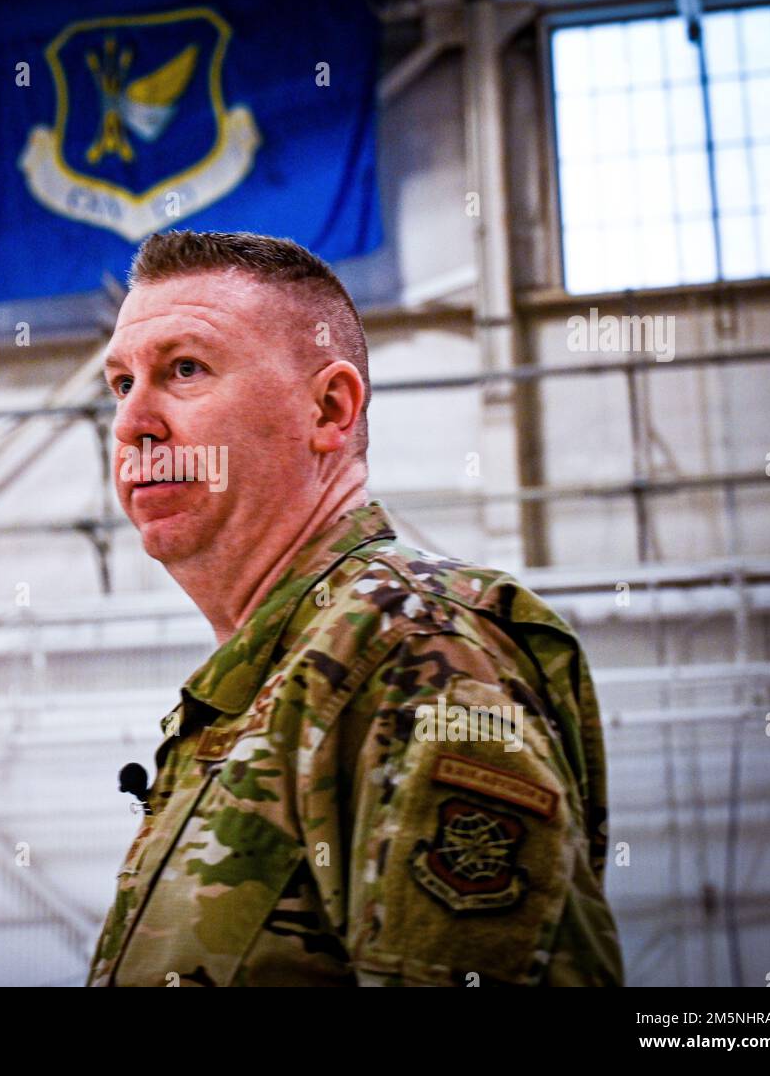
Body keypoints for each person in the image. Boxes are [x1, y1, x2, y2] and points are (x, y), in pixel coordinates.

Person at [86, 229, 624, 987]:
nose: (131, 422)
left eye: (184, 369)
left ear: (330, 409)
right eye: (119, 384)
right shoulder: (270, 684)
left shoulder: (411, 646)